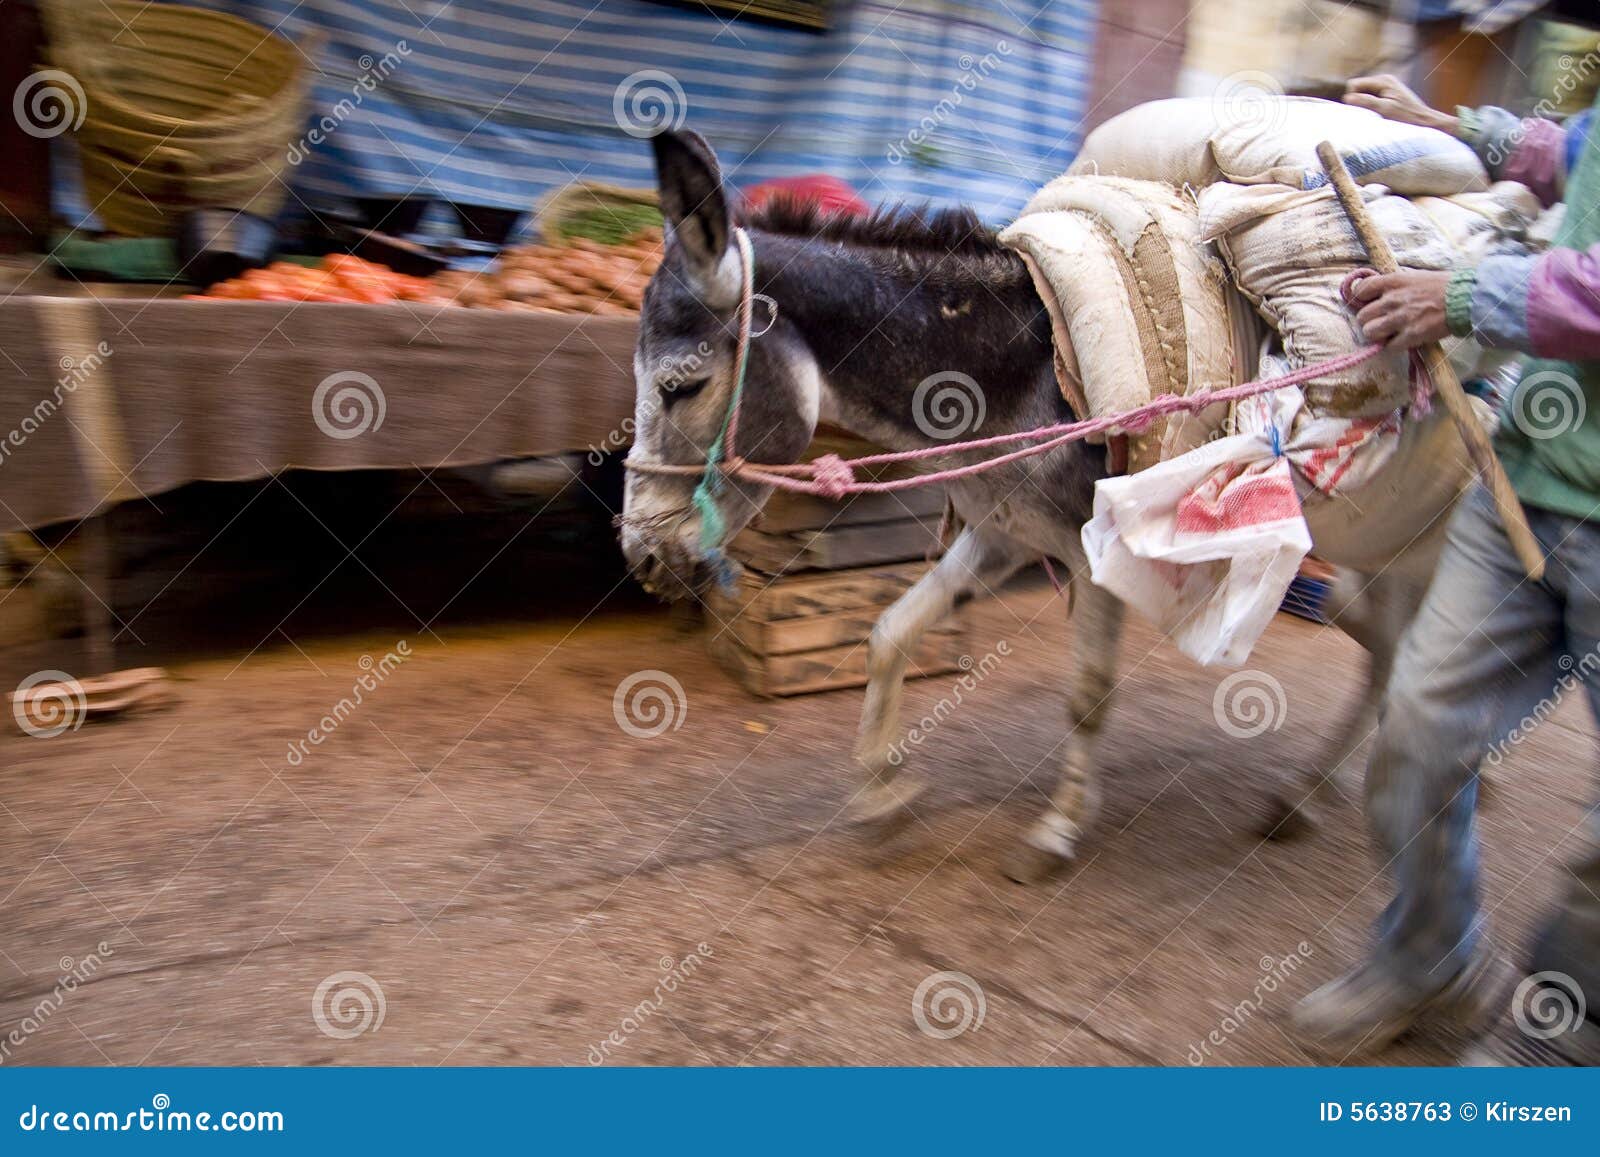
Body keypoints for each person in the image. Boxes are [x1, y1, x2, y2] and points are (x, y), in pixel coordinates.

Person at [1291, 74, 1600, 1065]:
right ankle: (1429, 958)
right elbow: (1574, 153)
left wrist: (1457, 295)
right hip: (1532, 476)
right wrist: (1451, 127)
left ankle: (1564, 1036)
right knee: (1418, 728)